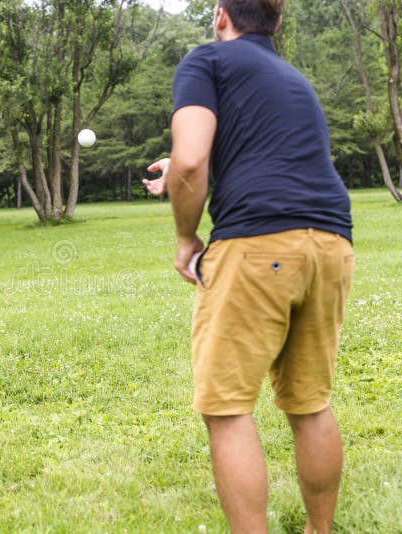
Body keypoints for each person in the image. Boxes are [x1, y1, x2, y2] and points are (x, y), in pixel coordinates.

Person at [143, 1, 354, 532]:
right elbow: (252, 155)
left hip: (259, 245)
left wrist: (187, 238)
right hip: (331, 243)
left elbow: (193, 159)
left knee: (227, 408)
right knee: (309, 402)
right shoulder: (292, 78)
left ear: (220, 15)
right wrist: (180, 169)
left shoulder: (206, 62)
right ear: (277, 23)